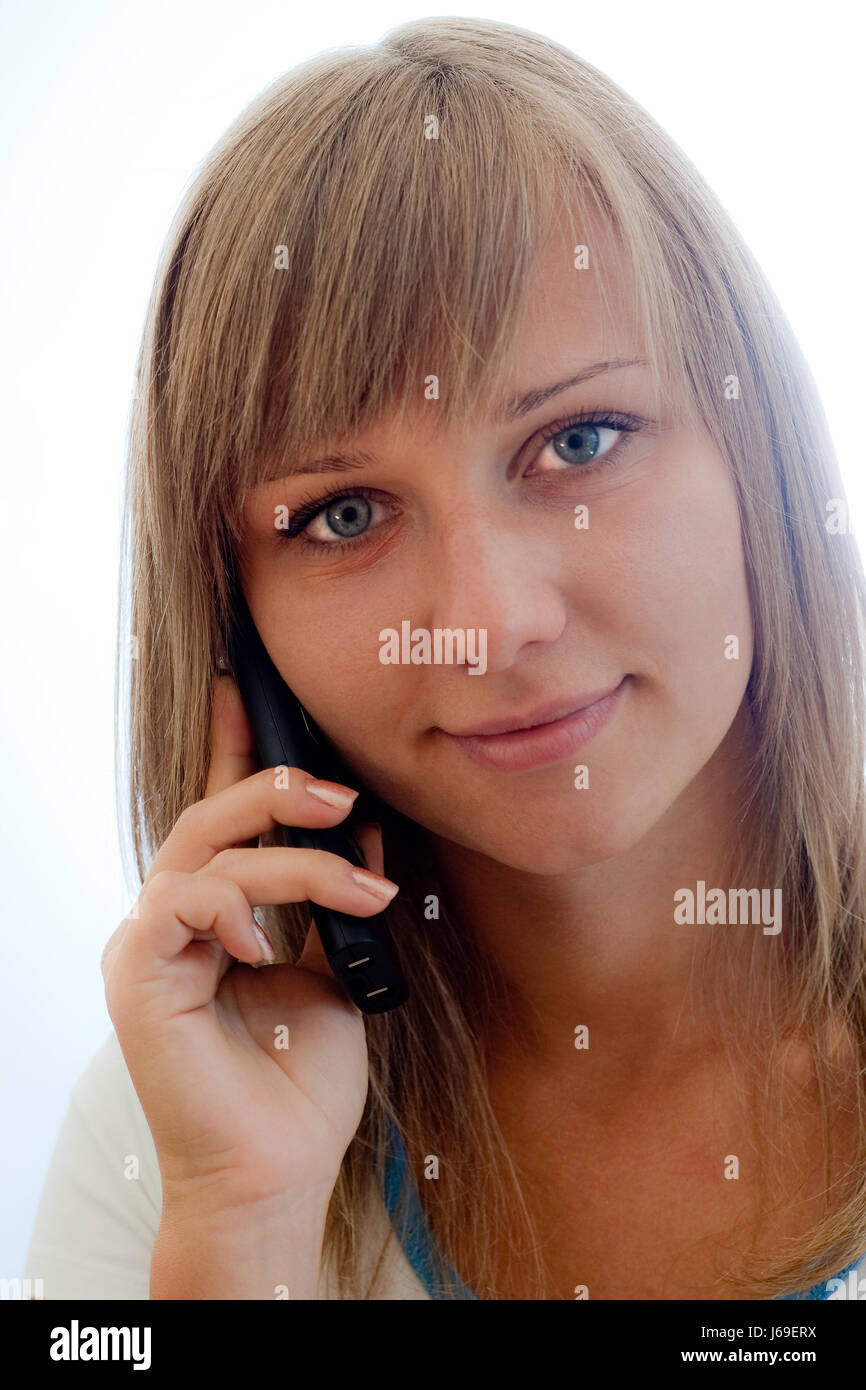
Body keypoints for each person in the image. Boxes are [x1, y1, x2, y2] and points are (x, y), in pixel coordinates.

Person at [25, 15, 866, 1300]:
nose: (486, 620)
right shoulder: (179, 1129)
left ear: (757, 452)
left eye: (579, 441)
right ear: (236, 627)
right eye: (343, 516)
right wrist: (242, 1236)